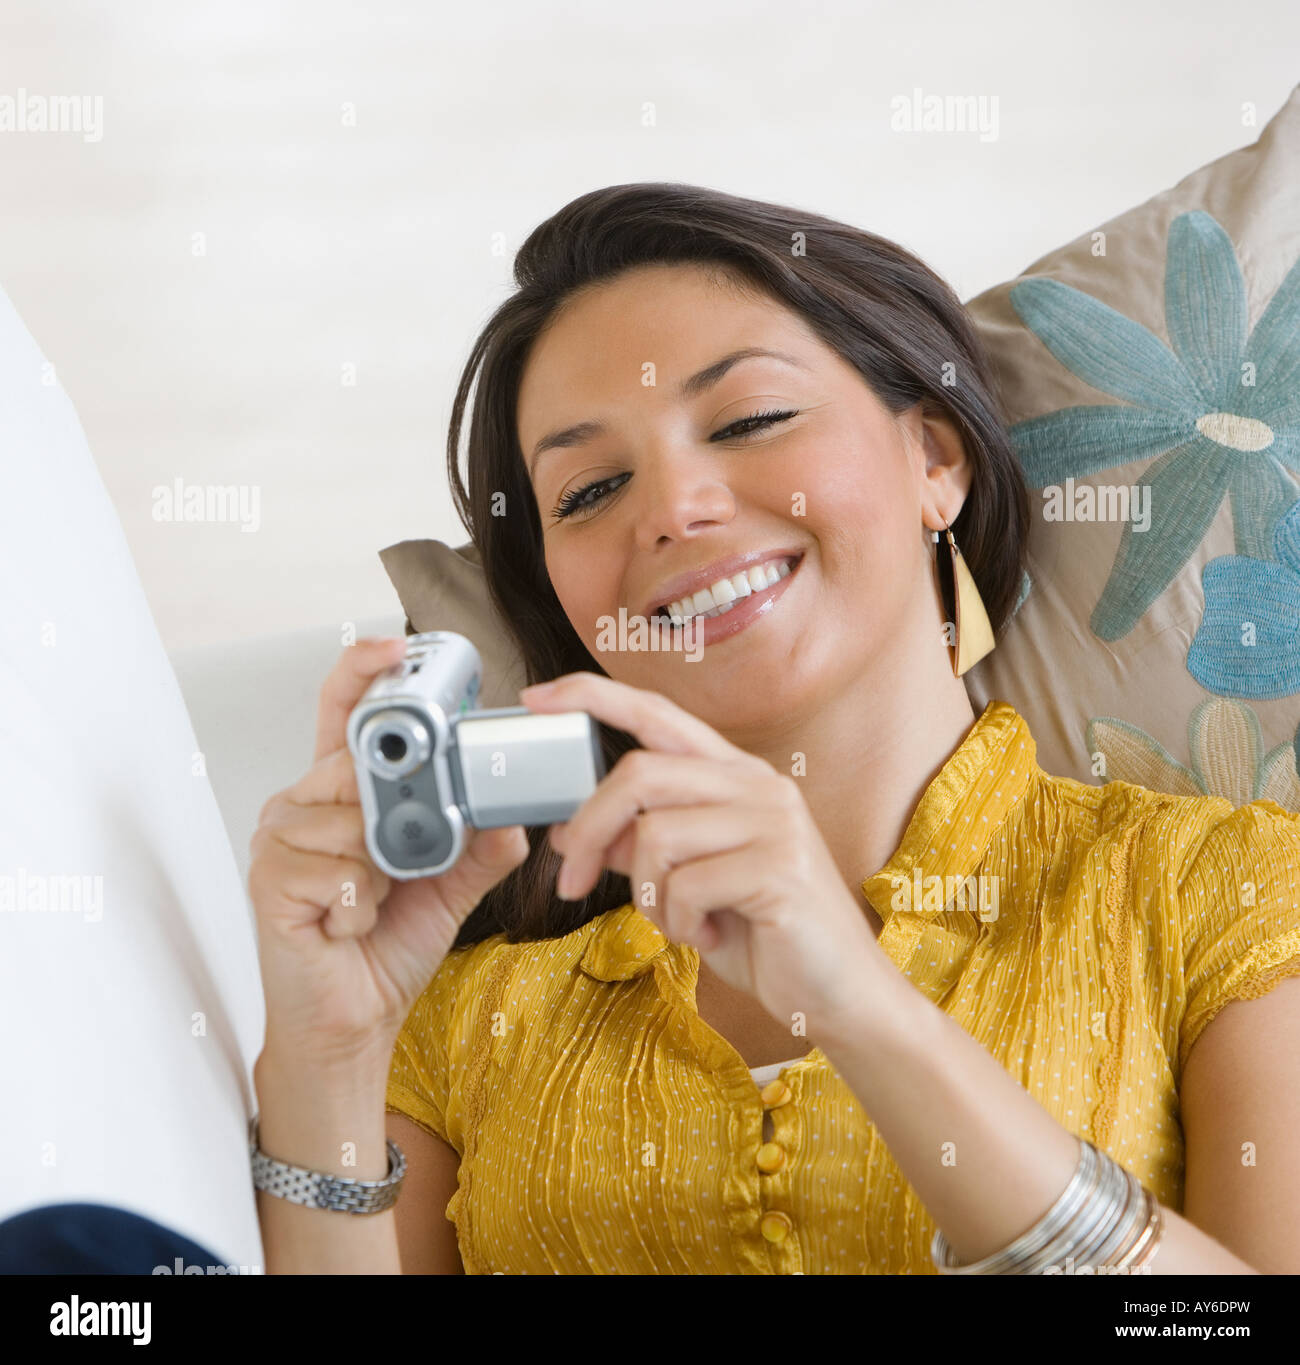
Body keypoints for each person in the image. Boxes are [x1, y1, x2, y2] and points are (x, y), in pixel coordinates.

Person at [247, 183, 1300, 1275]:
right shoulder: (468, 1020)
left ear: (934, 459)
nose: (673, 508)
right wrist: (326, 1054)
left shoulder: (1219, 894)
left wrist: (860, 1007)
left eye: (749, 421)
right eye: (591, 488)